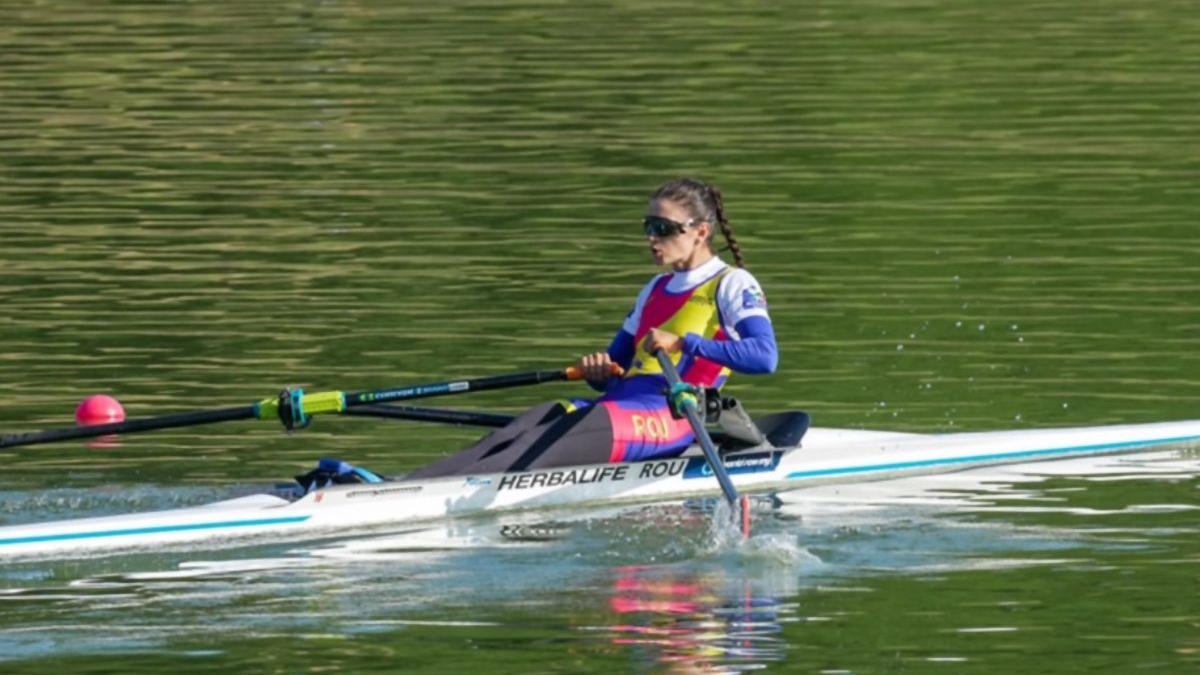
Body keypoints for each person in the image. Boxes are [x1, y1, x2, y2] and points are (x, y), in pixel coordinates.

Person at [406, 178, 777, 478]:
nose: (652, 239)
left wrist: (683, 342)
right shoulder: (654, 289)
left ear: (700, 231)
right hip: (618, 406)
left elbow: (764, 357)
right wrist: (599, 372)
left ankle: (415, 495)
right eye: (648, 227)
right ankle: (399, 486)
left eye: (663, 228)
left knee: (524, 454)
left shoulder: (733, 283)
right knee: (525, 426)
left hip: (671, 417)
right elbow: (615, 365)